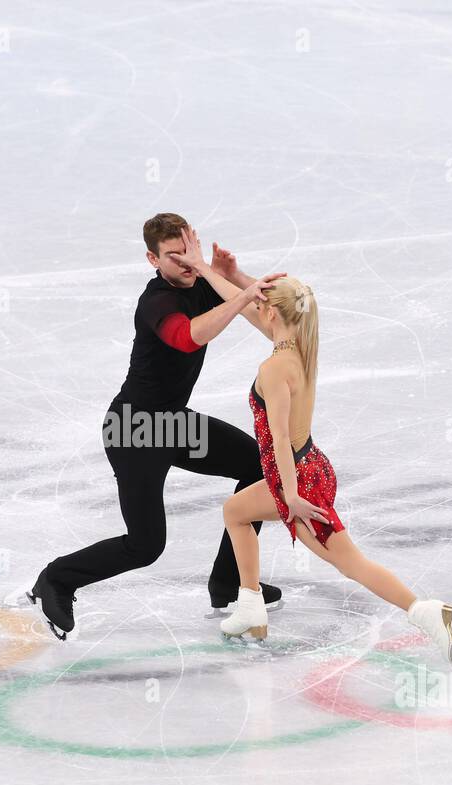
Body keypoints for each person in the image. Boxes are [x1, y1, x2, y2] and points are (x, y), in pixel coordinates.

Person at [168, 256, 452, 665]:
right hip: (312, 466)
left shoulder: (274, 369)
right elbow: (251, 305)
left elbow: (275, 442)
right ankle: (250, 606)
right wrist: (222, 273)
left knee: (349, 563)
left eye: (260, 306)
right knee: (236, 511)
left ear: (271, 312)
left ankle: (432, 614)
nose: (254, 310)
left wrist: (289, 496)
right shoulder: (300, 347)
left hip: (297, 479)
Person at [22, 214, 287, 639]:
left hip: (172, 425)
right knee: (145, 545)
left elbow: (271, 314)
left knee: (259, 468)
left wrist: (231, 274)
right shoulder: (156, 302)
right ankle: (56, 579)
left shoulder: (202, 280)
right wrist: (234, 294)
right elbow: (188, 337)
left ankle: (229, 583)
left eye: (189, 252)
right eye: (173, 256)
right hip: (134, 430)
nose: (185, 262)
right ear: (153, 259)